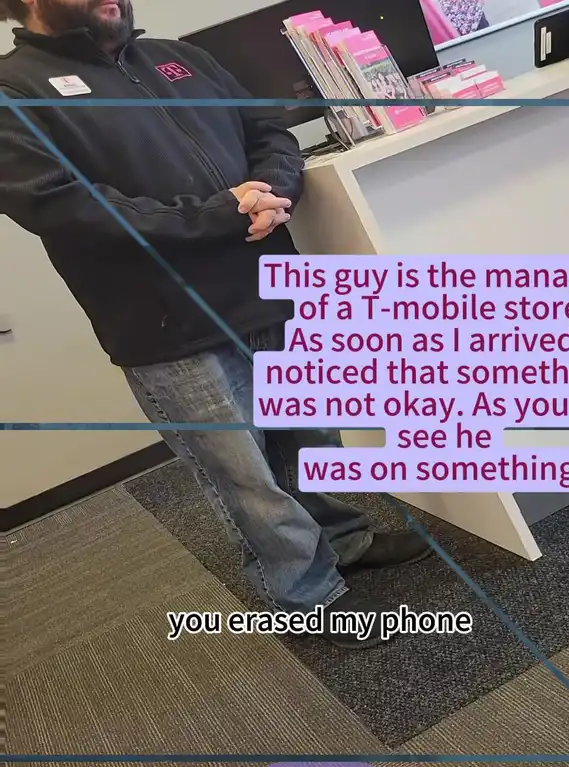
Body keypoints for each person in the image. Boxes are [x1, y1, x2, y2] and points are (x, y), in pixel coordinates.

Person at [0, 0, 432, 650]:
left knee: (308, 436)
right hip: (168, 323)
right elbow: (66, 208)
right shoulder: (15, 91)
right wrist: (215, 215)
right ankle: (306, 593)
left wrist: (272, 191)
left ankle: (343, 538)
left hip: (266, 285)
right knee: (244, 473)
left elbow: (269, 132)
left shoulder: (180, 57)